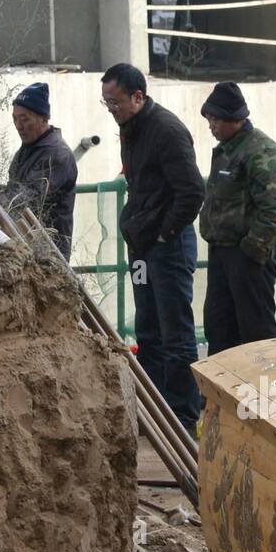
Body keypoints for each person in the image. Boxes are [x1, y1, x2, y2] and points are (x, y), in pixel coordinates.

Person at [101, 63, 206, 435]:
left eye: (115, 102)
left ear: (138, 96)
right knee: (147, 328)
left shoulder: (167, 130)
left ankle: (181, 416)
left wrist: (165, 233)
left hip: (168, 246)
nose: (111, 109)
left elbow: (192, 191)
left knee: (175, 332)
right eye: (106, 103)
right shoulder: (130, 129)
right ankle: (156, 411)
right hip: (142, 245)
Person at [198, 82, 276, 357]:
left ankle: (261, 394)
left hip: (249, 256)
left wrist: (253, 251)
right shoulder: (227, 149)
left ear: (233, 119)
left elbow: (274, 207)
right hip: (222, 252)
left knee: (256, 333)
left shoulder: (261, 151)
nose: (211, 126)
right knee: (219, 328)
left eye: (215, 119)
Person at [5, 82, 77, 257]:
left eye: (25, 119)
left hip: (49, 252)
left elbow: (25, 198)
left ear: (44, 119)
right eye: (15, 119)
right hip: (25, 245)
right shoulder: (26, 151)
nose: (18, 125)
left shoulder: (57, 154)